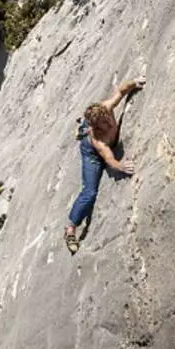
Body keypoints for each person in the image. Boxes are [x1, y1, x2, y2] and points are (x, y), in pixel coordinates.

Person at [64, 76, 145, 255]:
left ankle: (82, 126)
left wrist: (135, 82)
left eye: (107, 119)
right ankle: (70, 229)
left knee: (93, 119)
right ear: (97, 127)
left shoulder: (106, 108)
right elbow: (108, 159)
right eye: (103, 124)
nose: (109, 123)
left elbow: (121, 91)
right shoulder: (99, 140)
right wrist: (121, 166)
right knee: (89, 192)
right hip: (91, 154)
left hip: (91, 126)